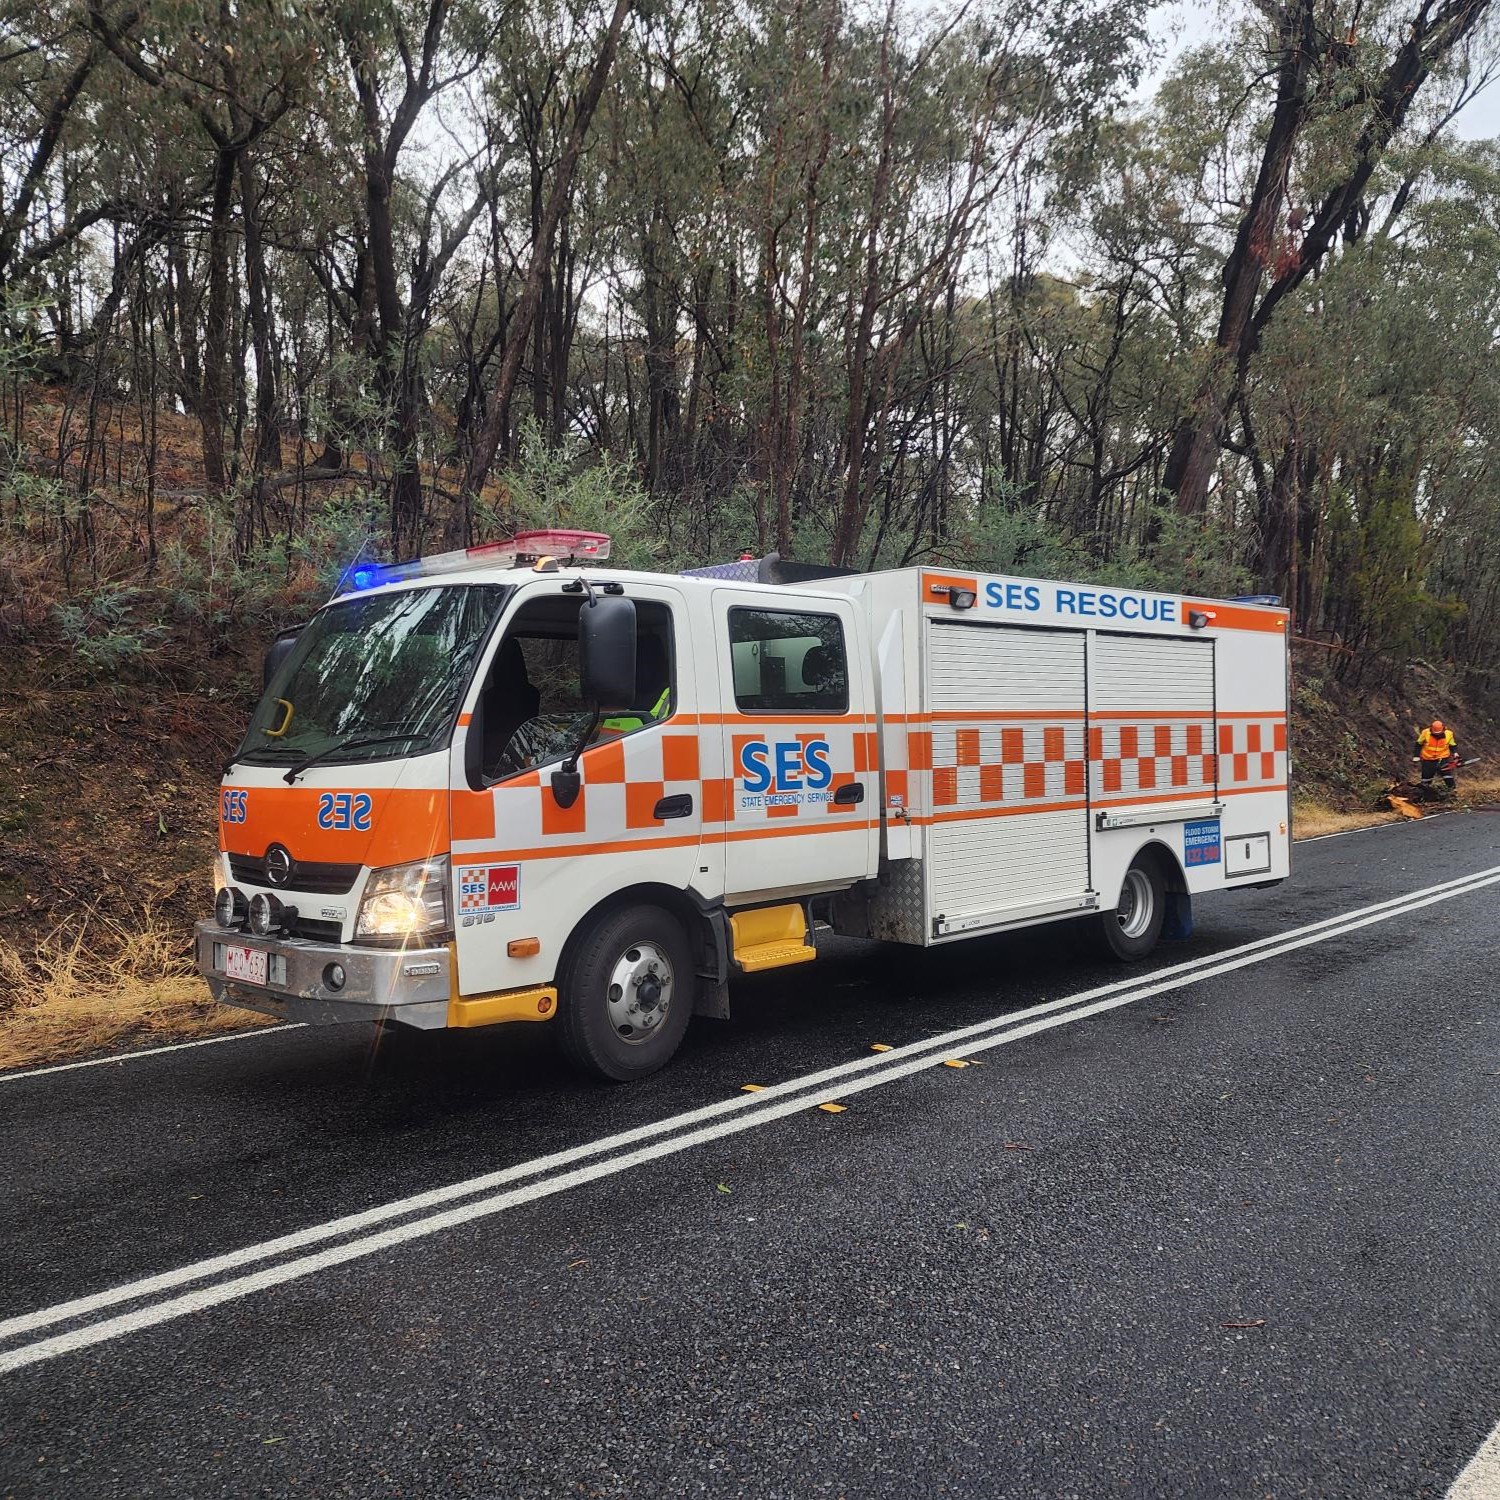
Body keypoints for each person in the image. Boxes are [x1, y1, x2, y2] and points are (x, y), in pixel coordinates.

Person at [1413, 718, 1458, 790]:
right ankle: (1423, 792)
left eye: (1439, 733)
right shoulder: (1425, 733)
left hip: (1442, 758)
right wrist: (1416, 756)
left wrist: (1455, 753)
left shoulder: (1449, 734)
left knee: (1447, 775)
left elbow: (1452, 744)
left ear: (1443, 729)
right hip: (1428, 759)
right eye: (1435, 733)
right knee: (1426, 778)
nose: (1437, 735)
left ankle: (1452, 791)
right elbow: (1418, 744)